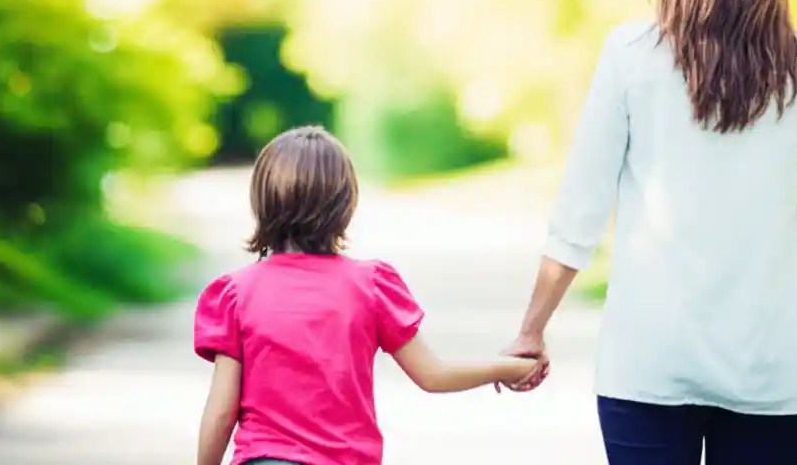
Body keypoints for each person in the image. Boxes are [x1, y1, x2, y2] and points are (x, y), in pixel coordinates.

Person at [503, 0, 797, 464]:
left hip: (647, 368)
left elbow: (580, 214)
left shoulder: (628, 58)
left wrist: (531, 330)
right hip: (773, 375)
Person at [194, 125, 540, 465]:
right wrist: (510, 368)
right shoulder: (370, 286)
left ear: (262, 202)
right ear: (344, 204)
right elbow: (433, 375)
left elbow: (221, 412)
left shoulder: (237, 293)